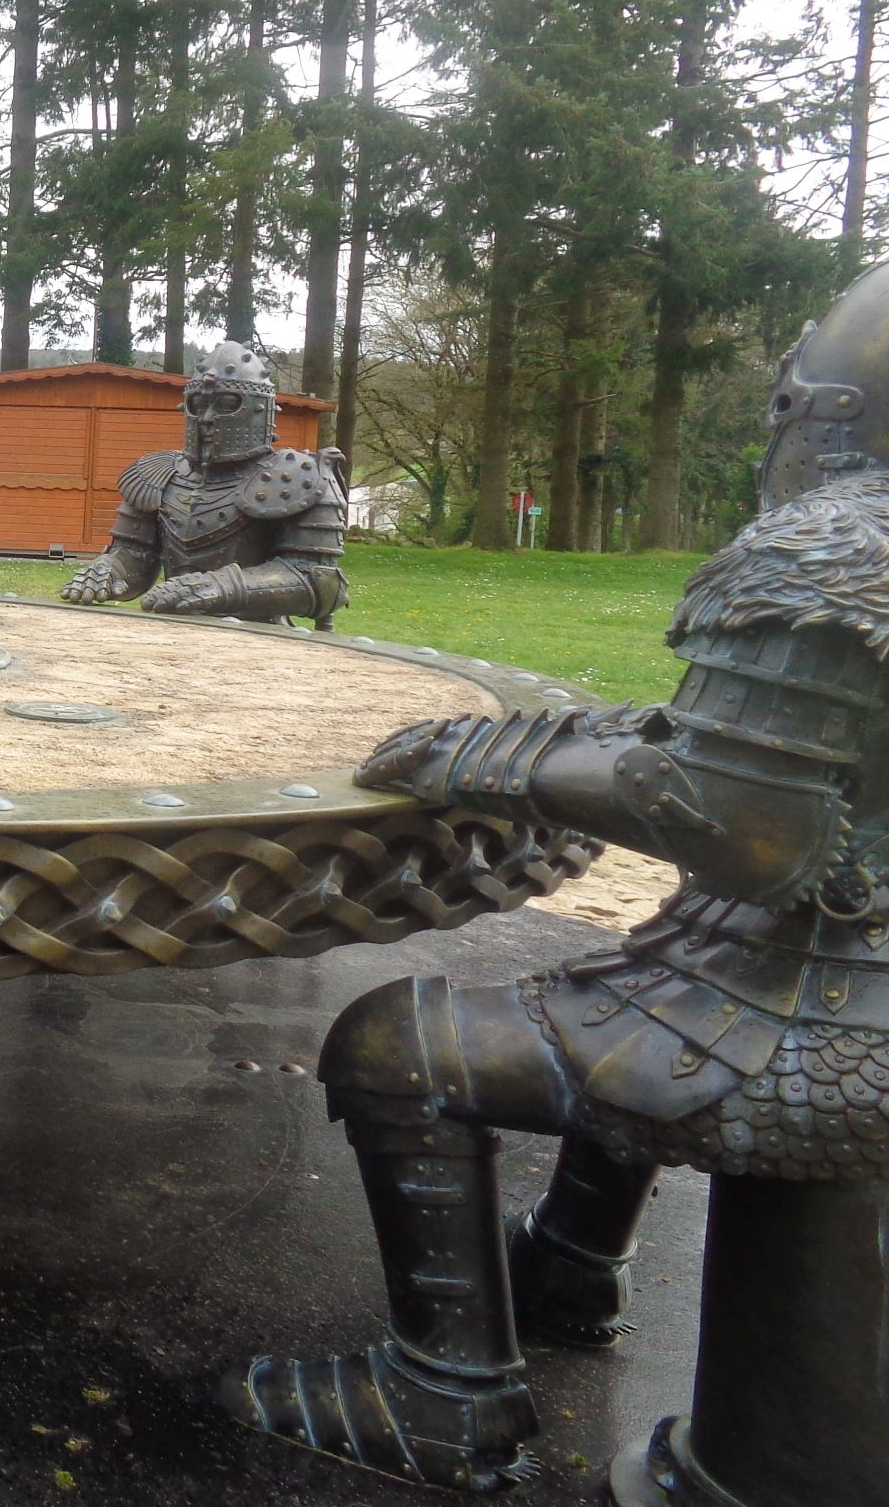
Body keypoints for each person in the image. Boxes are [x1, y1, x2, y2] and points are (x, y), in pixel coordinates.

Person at [222, 263, 889, 1490]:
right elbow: (749, 757)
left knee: (396, 1044)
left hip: (836, 1029)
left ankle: (444, 1398)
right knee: (625, 982)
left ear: (825, 414)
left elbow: (745, 827)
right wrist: (576, 742)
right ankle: (571, 1267)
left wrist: (502, 760)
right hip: (825, 974)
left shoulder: (837, 554)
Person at [61, 337, 348, 625]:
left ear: (259, 409)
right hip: (172, 628)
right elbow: (136, 557)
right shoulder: (161, 473)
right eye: (198, 405)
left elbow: (320, 582)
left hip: (260, 638)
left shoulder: (300, 474)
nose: (207, 418)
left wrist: (224, 587)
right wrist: (110, 569)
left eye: (226, 405)